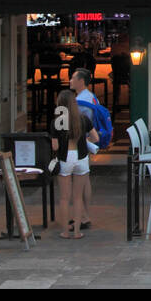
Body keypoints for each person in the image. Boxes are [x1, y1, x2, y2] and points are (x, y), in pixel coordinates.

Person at [51, 89, 98, 239]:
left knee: (65, 198)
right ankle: (77, 231)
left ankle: (66, 231)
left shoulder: (57, 122)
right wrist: (85, 141)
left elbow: (55, 147)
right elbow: (95, 137)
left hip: (65, 157)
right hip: (82, 156)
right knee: (78, 197)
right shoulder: (83, 119)